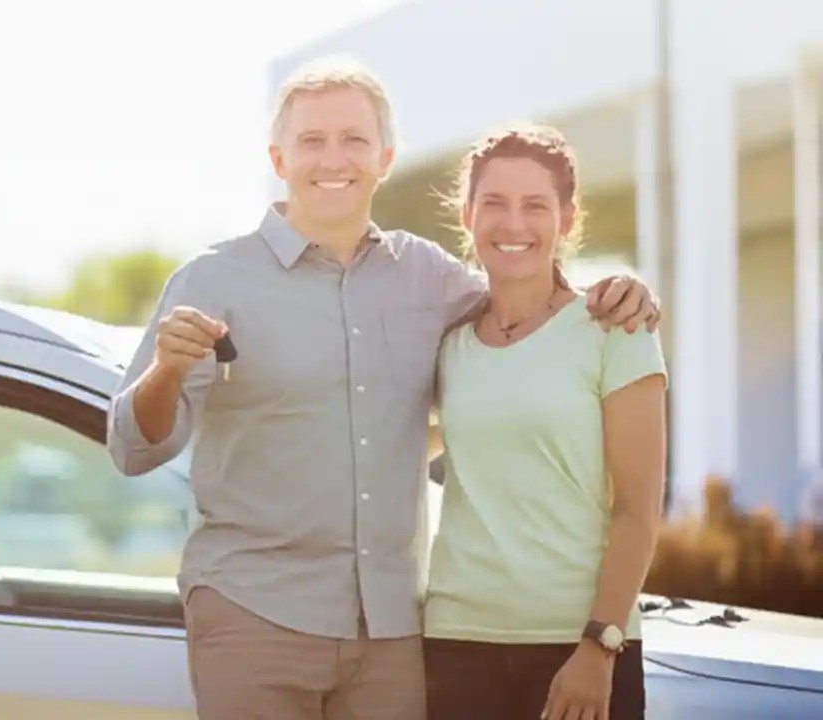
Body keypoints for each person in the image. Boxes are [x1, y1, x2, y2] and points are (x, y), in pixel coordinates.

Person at [107, 56, 660, 720]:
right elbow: (132, 449)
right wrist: (166, 371)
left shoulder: (427, 278)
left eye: (353, 140)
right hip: (255, 614)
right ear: (279, 159)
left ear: (385, 157)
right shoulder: (213, 280)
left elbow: (528, 293)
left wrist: (620, 290)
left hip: (393, 634)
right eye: (311, 140)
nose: (332, 158)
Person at [421, 125, 668, 720]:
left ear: (567, 217)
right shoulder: (447, 343)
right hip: (455, 643)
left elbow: (638, 506)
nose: (514, 224)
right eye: (495, 204)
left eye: (535, 205)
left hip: (577, 646)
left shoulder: (616, 330)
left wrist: (599, 644)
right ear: (468, 214)